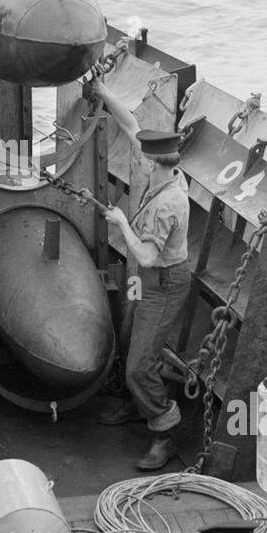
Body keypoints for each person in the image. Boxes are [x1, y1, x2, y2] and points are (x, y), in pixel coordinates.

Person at [96, 121, 192, 471]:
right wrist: (104, 91)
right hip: (148, 280)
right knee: (126, 338)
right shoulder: (171, 174)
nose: (139, 161)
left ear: (153, 164)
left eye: (143, 159)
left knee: (140, 365)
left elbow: (149, 256)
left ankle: (163, 431)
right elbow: (136, 125)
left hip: (163, 282)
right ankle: (136, 405)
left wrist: (120, 222)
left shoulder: (166, 204)